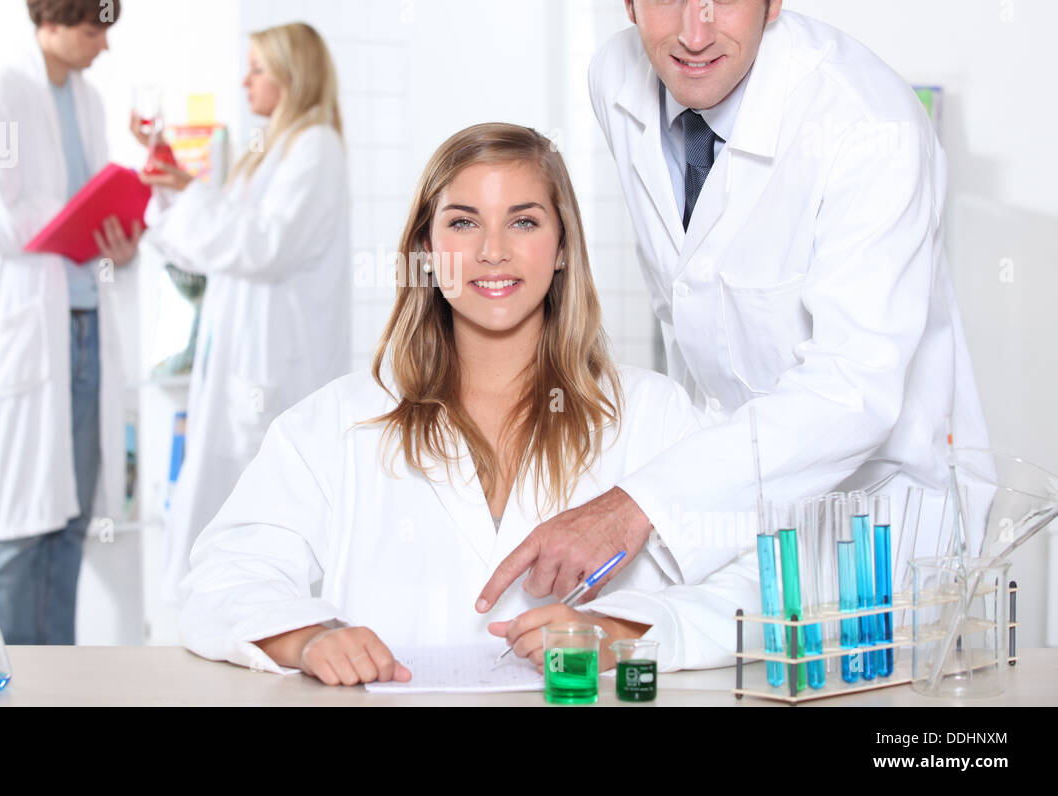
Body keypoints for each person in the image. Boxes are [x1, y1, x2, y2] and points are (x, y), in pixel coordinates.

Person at [476, 0, 990, 614]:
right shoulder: (615, 79)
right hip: (724, 500)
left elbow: (854, 389)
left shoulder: (865, 125)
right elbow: (691, 292)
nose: (693, 32)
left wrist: (639, 501)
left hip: (882, 515)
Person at [181, 123, 758, 683]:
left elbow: (756, 586)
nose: (493, 252)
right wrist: (307, 639)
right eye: (464, 223)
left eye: (524, 221)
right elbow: (222, 578)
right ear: (427, 251)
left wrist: (615, 630)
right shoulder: (336, 422)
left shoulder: (651, 415)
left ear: (562, 248)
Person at [0, 0, 143, 644]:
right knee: (16, 526)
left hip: (87, 322)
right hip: (29, 328)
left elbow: (88, 209)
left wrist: (113, 239)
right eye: (98, 27)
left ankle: (55, 679)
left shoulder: (88, 102)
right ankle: (4, 674)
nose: (105, 44)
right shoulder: (3, 91)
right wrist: (74, 218)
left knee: (68, 523)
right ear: (57, 20)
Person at [138, 22, 350, 598]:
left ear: (291, 73)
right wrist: (175, 187)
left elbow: (262, 246)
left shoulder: (315, 148)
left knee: (271, 525)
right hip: (240, 363)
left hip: (275, 368)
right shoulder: (270, 150)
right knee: (226, 529)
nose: (245, 79)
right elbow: (215, 246)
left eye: (258, 67)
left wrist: (189, 191)